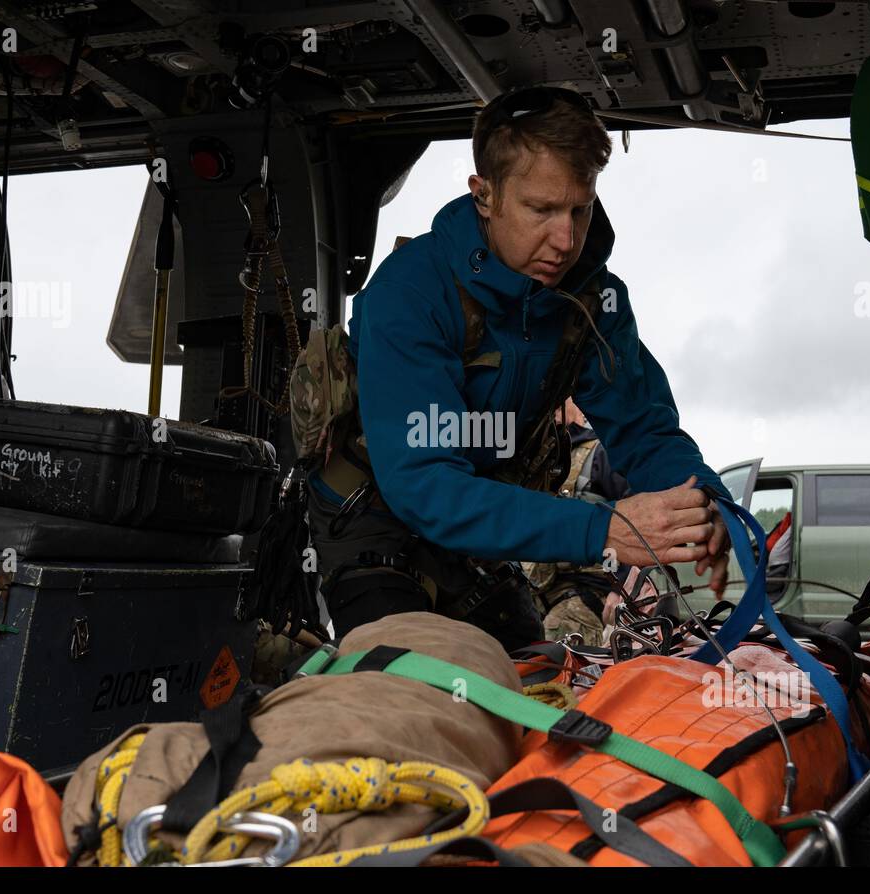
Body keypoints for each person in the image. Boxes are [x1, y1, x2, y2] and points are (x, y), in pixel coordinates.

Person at [306, 86, 730, 650]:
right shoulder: (410, 291)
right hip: (377, 520)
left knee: (534, 679)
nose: (565, 240)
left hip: (480, 531)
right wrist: (606, 530)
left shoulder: (592, 301)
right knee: (416, 690)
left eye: (580, 209)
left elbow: (645, 432)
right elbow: (425, 484)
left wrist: (707, 507)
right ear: (485, 196)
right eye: (542, 210)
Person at [521, 398, 631, 645]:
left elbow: (636, 520)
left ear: (581, 408)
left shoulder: (601, 453)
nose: (555, 404)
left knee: (551, 662)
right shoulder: (534, 460)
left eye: (565, 398)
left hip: (585, 592)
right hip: (532, 595)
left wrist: (619, 588)